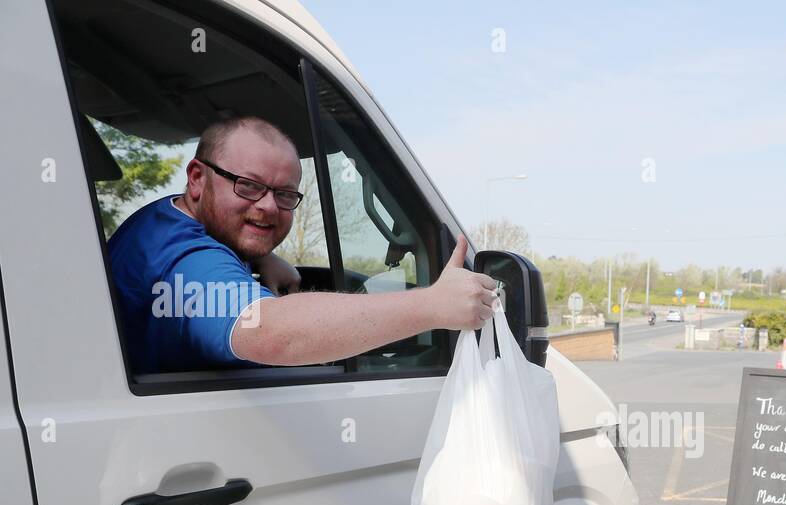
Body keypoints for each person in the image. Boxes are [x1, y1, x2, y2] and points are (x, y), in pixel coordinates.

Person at [107, 116, 495, 374]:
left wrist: (259, 253)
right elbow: (269, 331)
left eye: (285, 194)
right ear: (197, 179)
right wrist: (431, 306)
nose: (268, 207)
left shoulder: (161, 222)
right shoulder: (183, 260)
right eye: (249, 185)